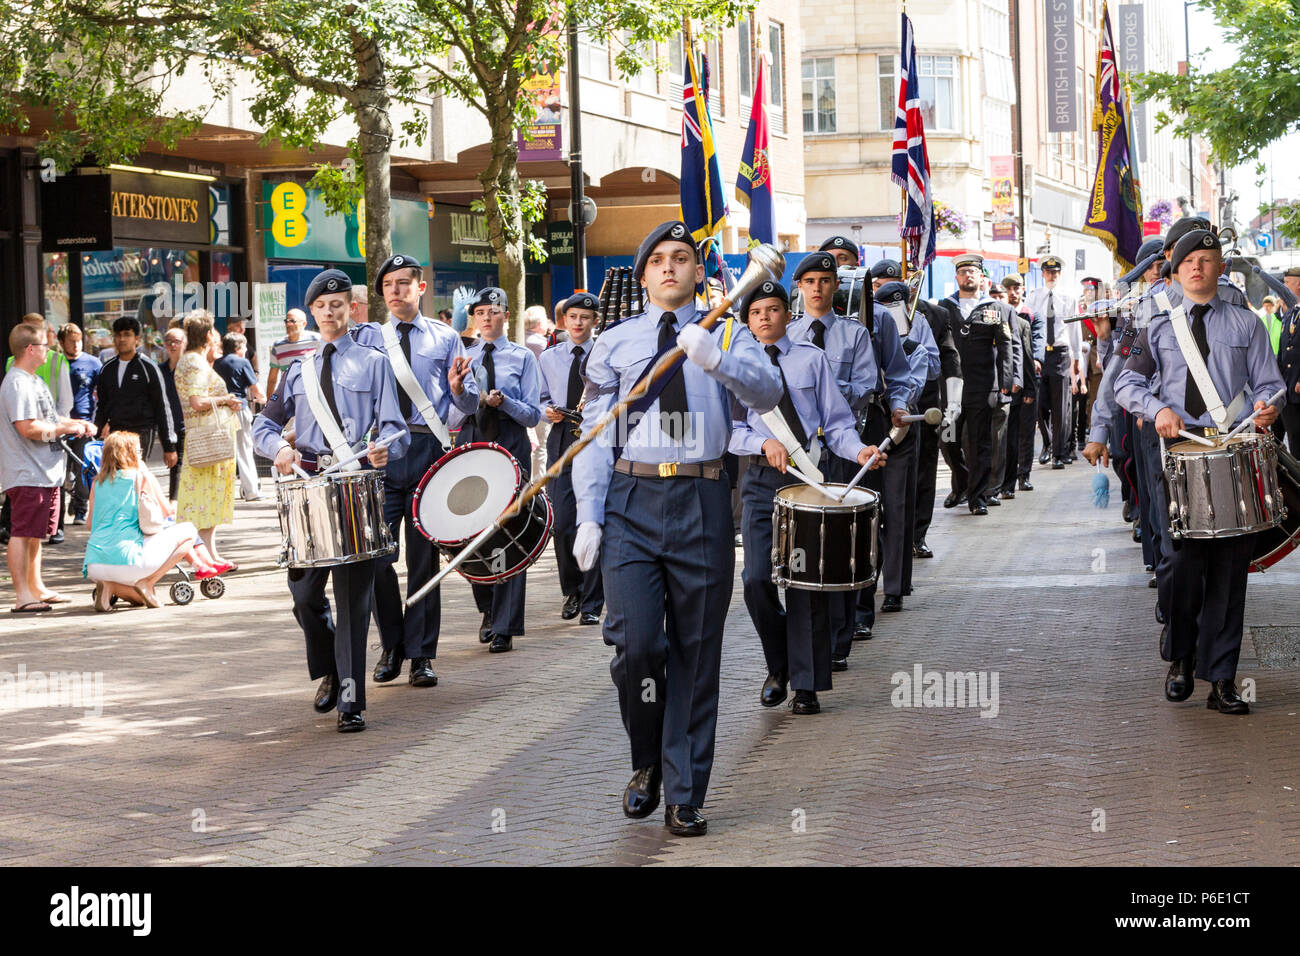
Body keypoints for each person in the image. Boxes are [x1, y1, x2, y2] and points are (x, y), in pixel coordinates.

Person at [571, 219, 782, 837]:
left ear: (697, 271)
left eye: (681, 258)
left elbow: (766, 393)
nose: (669, 266)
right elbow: (592, 438)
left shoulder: (729, 331)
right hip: (630, 496)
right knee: (636, 646)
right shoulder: (612, 344)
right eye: (658, 259)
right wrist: (588, 512)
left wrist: (716, 359)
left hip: (703, 494)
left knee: (695, 649)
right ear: (642, 276)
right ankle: (647, 761)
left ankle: (684, 789)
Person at [1115, 228, 1284, 715]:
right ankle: (1182, 656)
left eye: (1208, 260)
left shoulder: (1245, 324)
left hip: (1232, 452)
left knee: (1231, 572)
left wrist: (1266, 406)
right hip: (1181, 453)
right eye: (1190, 261)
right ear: (1176, 268)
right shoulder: (1159, 326)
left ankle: (1222, 679)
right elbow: (1127, 382)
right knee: (1180, 566)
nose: (1198, 267)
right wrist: (1154, 408)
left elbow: (1270, 385)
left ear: (1218, 268)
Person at [252, 269, 408, 733]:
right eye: (322, 306)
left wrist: (386, 447)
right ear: (313, 312)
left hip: (357, 484)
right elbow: (265, 423)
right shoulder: (298, 368)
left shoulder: (376, 362)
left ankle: (350, 701)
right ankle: (329, 669)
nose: (330, 312)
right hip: (311, 487)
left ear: (351, 308)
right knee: (303, 595)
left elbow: (396, 427)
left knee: (354, 601)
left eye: (338, 304)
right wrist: (278, 449)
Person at [734, 280, 885, 715]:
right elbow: (729, 429)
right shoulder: (736, 366)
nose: (765, 317)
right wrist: (762, 445)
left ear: (788, 313)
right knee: (756, 580)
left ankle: (806, 685)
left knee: (805, 584)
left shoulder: (812, 360)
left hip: (808, 480)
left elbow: (837, 424)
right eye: (757, 311)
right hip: (762, 481)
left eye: (774, 309)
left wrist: (860, 451)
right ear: (748, 320)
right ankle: (779, 663)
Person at [353, 254, 477, 688]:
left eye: (404, 283)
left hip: (427, 448)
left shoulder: (446, 339)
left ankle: (422, 655)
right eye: (388, 284)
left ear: (420, 288)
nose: (396, 291)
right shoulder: (366, 338)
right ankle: (393, 643)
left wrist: (461, 391)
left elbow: (470, 403)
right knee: (377, 558)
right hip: (382, 454)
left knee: (423, 562)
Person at [449, 287, 542, 654]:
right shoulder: (463, 356)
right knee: (472, 532)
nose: (487, 317)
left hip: (510, 443)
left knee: (510, 531)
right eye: (481, 312)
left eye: (494, 311)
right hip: (470, 444)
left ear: (506, 315)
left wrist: (506, 403)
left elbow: (533, 415)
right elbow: (453, 413)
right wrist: (461, 394)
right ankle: (487, 609)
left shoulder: (522, 358)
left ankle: (505, 625)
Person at [1, 323, 95, 612]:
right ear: (30, 349)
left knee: (35, 534)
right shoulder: (16, 383)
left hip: (44, 472)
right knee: (22, 532)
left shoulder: (33, 380)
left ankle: (36, 587)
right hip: (27, 471)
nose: (50, 350)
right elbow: (28, 427)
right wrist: (61, 430)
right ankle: (22, 596)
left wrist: (76, 425)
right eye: (44, 345)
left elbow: (52, 418)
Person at [538, 292, 604, 626]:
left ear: (595, 322)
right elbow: (540, 399)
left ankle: (593, 599)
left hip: (595, 437)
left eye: (585, 318)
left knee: (591, 516)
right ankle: (572, 590)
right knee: (563, 521)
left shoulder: (605, 354)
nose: (578, 323)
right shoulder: (549, 358)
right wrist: (547, 412)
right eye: (572, 317)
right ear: (564, 321)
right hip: (562, 437)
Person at [82, 431, 205, 610]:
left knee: (140, 600)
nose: (141, 454)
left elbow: (90, 524)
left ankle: (110, 586)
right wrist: (145, 471)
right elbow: (166, 511)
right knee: (189, 532)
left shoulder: (97, 482)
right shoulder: (138, 476)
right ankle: (147, 581)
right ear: (130, 453)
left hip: (94, 565)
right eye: (138, 451)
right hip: (128, 560)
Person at [935, 252, 1014, 515]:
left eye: (973, 272)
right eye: (963, 271)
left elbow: (1005, 344)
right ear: (956, 277)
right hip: (951, 387)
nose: (968, 275)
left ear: (981, 277)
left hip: (982, 386)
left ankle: (977, 497)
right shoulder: (944, 307)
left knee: (981, 443)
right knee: (948, 440)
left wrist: (1005, 380)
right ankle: (962, 483)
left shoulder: (994, 308)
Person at [173, 311, 239, 566]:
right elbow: (197, 401)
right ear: (209, 335)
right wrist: (225, 399)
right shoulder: (194, 362)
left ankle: (209, 553)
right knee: (204, 497)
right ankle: (201, 555)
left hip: (208, 437)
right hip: (207, 439)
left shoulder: (190, 360)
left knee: (209, 497)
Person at [94, 316, 179, 469]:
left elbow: (162, 406)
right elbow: (103, 405)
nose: (122, 339)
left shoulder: (148, 367)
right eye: (118, 335)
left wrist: (169, 446)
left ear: (137, 339)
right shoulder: (107, 369)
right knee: (117, 475)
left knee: (136, 474)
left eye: (127, 334)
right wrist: (95, 432)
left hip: (142, 431)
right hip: (116, 433)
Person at [1024, 256, 1080, 469]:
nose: (1052, 275)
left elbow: (1074, 330)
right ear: (1042, 273)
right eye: (1048, 272)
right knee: (1040, 404)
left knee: (1061, 407)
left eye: (1055, 272)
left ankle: (1058, 453)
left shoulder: (1068, 297)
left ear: (1059, 273)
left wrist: (1077, 359)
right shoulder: (1033, 297)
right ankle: (1047, 444)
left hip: (1061, 353)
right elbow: (1027, 326)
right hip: (1040, 354)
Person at [998, 275, 1039, 499]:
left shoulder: (1024, 322)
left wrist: (1031, 390)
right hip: (996, 388)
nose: (1009, 295)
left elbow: (1027, 357)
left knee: (1019, 436)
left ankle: (1021, 477)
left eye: (1014, 289)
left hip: (1020, 389)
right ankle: (1001, 482)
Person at [214, 332, 266, 501]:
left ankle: (222, 492)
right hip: (240, 408)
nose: (246, 351)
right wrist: (263, 399)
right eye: (244, 347)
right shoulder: (242, 362)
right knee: (244, 449)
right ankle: (251, 491)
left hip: (220, 410)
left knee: (223, 452)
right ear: (238, 347)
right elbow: (256, 389)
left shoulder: (216, 363)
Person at [58, 323, 100, 525]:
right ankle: (64, 506)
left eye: (79, 341)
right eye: (71, 341)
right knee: (63, 471)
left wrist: (101, 420)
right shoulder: (56, 363)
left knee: (84, 466)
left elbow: (102, 392)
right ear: (61, 343)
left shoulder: (93, 363)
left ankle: (81, 508)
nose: (76, 345)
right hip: (60, 423)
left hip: (85, 424)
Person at [158, 327, 187, 503]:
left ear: (184, 343)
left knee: (179, 463)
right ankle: (174, 502)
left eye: (177, 341)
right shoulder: (160, 370)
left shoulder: (189, 368)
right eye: (169, 341)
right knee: (174, 462)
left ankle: (174, 502)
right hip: (167, 423)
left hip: (186, 422)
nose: (173, 345)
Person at [266, 309, 319, 399]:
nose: (288, 324)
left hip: (312, 397)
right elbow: (272, 380)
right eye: (286, 321)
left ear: (304, 324)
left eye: (292, 321)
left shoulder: (317, 340)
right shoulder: (278, 346)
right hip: (289, 397)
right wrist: (269, 403)